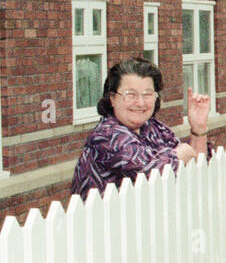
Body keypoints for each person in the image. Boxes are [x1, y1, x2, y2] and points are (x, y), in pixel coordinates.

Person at [71, 58, 212, 200]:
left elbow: (195, 169)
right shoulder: (106, 135)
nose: (140, 102)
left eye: (147, 94)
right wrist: (181, 153)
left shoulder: (154, 128)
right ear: (112, 98)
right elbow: (153, 171)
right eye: (130, 95)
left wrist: (198, 129)